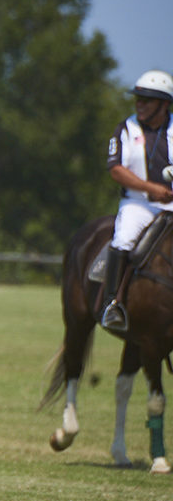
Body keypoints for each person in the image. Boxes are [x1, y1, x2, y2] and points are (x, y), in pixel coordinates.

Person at [100, 69, 173, 333]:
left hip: (172, 205)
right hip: (138, 204)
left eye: (147, 100)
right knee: (124, 239)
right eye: (138, 100)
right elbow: (116, 170)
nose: (139, 105)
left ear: (164, 104)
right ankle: (112, 304)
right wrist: (150, 188)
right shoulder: (126, 128)